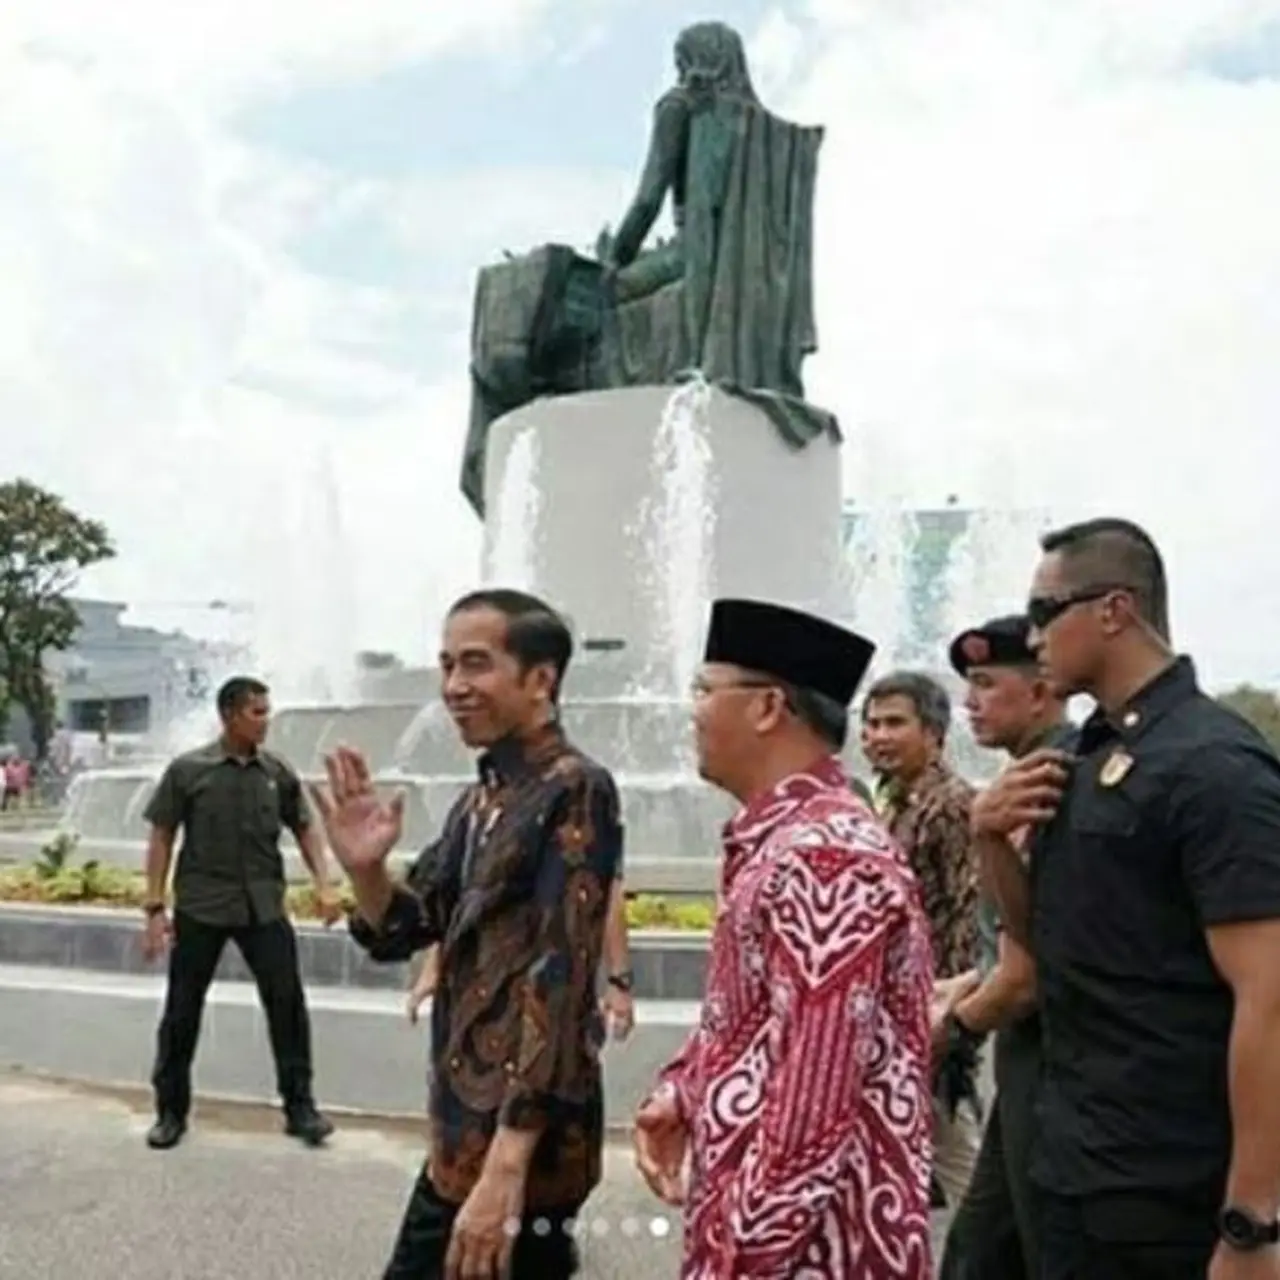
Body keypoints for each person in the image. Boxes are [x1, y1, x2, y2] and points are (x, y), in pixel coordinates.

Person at [978, 517, 1280, 1279]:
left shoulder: (1215, 766)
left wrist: (1252, 1222)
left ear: (1114, 610)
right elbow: (1044, 944)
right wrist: (989, 838)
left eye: (1046, 612)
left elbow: (1270, 997)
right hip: (1072, 1167)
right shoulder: (1086, 756)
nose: (1033, 635)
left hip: (1167, 1188)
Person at [310, 589, 623, 1280]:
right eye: (447, 665)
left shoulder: (575, 789)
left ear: (540, 679)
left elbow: (560, 980)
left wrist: (506, 1166)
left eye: (476, 665)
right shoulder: (480, 799)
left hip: (522, 1150)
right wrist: (366, 872)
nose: (453, 687)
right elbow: (407, 926)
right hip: (462, 1134)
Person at [633, 598, 935, 1278]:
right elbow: (757, 1024)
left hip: (815, 1255)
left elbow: (811, 1118)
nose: (693, 711)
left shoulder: (824, 859)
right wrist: (683, 1090)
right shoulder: (783, 842)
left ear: (768, 707)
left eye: (704, 691)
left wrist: (735, 1261)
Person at [141, 675, 340, 1151]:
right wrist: (154, 906)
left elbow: (306, 827)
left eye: (267, 711)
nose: (266, 721)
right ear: (229, 715)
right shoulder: (189, 770)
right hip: (201, 908)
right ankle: (170, 1112)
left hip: (264, 907)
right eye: (257, 712)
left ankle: (300, 1108)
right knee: (182, 1011)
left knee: (288, 1006)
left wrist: (325, 883)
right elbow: (162, 836)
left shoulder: (275, 771)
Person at [937, 615, 1071, 1280]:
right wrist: (959, 985)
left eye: (988, 684)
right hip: (1031, 1075)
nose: (970, 702)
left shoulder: (1051, 786)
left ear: (1043, 689)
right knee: (979, 1255)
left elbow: (1030, 973)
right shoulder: (1022, 780)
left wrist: (949, 1028)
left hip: (1064, 1078)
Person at [861, 670, 982, 1210]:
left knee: (957, 1155)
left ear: (933, 733)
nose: (878, 736)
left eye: (894, 724)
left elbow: (966, 913)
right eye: (871, 724)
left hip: (934, 1013)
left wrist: (952, 1026)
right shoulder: (900, 800)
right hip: (902, 1007)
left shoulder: (950, 805)